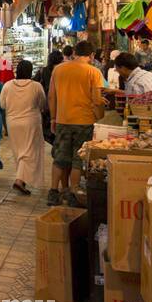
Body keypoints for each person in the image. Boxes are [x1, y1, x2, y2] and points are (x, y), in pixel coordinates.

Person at [47, 39, 104, 207]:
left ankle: (53, 192)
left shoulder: (58, 69)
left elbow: (51, 96)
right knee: (78, 160)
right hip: (85, 121)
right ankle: (73, 193)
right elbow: (97, 100)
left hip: (63, 120)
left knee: (59, 158)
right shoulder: (93, 72)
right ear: (92, 55)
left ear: (74, 52)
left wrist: (53, 118)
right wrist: (99, 118)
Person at [0, 59, 48, 195]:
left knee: (19, 152)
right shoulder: (36, 86)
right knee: (29, 152)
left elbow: (2, 105)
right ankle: (20, 180)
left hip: (12, 123)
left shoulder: (7, 86)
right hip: (31, 122)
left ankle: (21, 179)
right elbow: (43, 104)